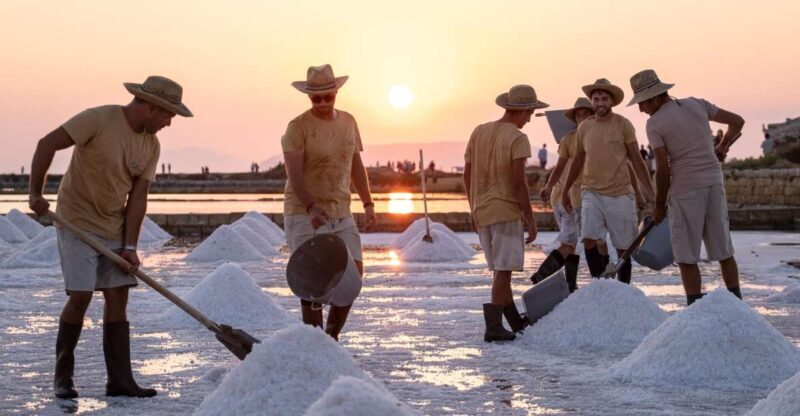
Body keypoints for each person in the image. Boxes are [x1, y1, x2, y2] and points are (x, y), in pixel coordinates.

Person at [28, 75, 192, 399]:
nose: (169, 123)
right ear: (149, 107)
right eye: (168, 115)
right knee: (81, 296)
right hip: (76, 219)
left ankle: (120, 380)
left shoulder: (151, 144)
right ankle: (63, 376)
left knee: (118, 297)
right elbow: (46, 144)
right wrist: (35, 193)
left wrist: (130, 246)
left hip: (113, 226)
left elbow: (139, 197)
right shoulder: (99, 119)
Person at [628, 69, 744, 305]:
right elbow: (737, 122)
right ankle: (738, 305)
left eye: (641, 103)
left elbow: (663, 169)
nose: (641, 109)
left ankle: (694, 309)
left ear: (655, 97)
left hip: (685, 191)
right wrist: (721, 147)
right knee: (724, 251)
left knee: (686, 256)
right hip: (714, 183)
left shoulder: (655, 123)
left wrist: (659, 205)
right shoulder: (696, 104)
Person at [282, 64, 376, 341]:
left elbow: (356, 165)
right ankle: (315, 344)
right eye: (316, 98)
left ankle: (332, 337)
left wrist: (368, 203)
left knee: (353, 278)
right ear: (309, 97)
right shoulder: (297, 127)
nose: (322, 103)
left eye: (328, 96)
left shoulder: (349, 122)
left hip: (340, 210)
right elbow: (294, 175)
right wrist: (311, 206)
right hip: (304, 211)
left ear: (336, 93)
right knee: (313, 281)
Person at [464, 84, 544, 342]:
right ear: (523, 111)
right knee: (504, 270)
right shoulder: (517, 138)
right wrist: (530, 219)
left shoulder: (479, 131)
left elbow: (467, 175)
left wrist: (473, 207)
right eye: (530, 113)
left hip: (483, 211)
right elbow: (519, 183)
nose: (530, 119)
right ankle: (493, 327)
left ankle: (514, 322)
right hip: (506, 210)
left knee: (501, 269)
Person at [562, 78, 655, 284]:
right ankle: (598, 284)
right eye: (596, 99)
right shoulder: (585, 127)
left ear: (612, 101)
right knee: (588, 238)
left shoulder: (623, 125)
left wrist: (649, 193)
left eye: (604, 99)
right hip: (591, 192)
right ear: (592, 102)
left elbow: (637, 161)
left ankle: (624, 288)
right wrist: (565, 189)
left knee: (624, 247)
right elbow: (578, 159)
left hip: (620, 194)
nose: (600, 103)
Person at [535, 97, 594, 292]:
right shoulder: (572, 139)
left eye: (586, 113)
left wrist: (550, 187)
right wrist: (550, 186)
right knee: (568, 244)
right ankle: (539, 277)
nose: (582, 117)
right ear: (575, 118)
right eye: (579, 114)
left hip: (566, 197)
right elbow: (559, 168)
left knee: (573, 242)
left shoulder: (580, 138)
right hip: (568, 198)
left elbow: (561, 168)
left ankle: (571, 284)